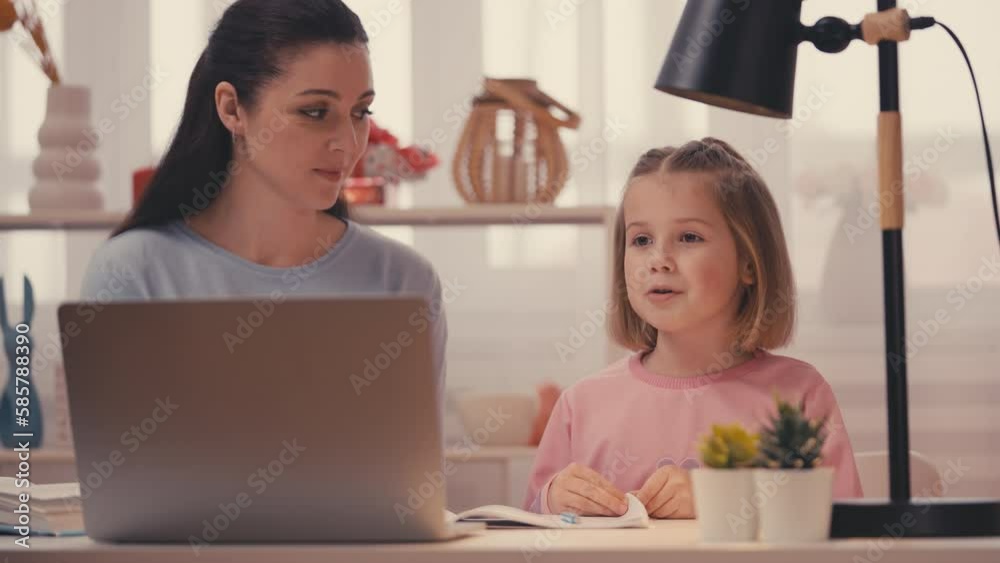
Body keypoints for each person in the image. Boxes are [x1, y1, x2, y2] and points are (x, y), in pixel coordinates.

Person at [79, 0, 447, 406]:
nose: (348, 143)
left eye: (360, 112)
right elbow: (118, 465)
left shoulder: (402, 282)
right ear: (232, 109)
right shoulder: (134, 272)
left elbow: (415, 469)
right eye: (314, 111)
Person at [522, 138, 862, 518]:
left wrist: (721, 501)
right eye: (641, 240)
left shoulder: (799, 396)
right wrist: (552, 501)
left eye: (688, 237)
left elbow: (841, 530)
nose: (659, 259)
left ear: (749, 262)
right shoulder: (580, 405)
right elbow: (530, 534)